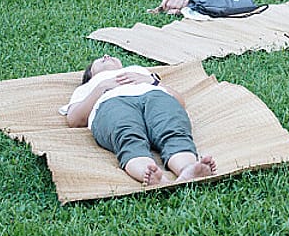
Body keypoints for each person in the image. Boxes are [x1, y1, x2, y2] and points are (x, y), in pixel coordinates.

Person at [61, 54, 217, 186]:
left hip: (155, 96)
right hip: (113, 102)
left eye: (109, 56)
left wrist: (152, 81)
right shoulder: (89, 86)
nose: (106, 56)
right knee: (127, 134)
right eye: (99, 59)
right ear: (91, 74)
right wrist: (101, 88)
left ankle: (187, 168)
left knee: (172, 126)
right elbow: (75, 119)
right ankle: (149, 173)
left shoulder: (140, 71)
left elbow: (180, 102)